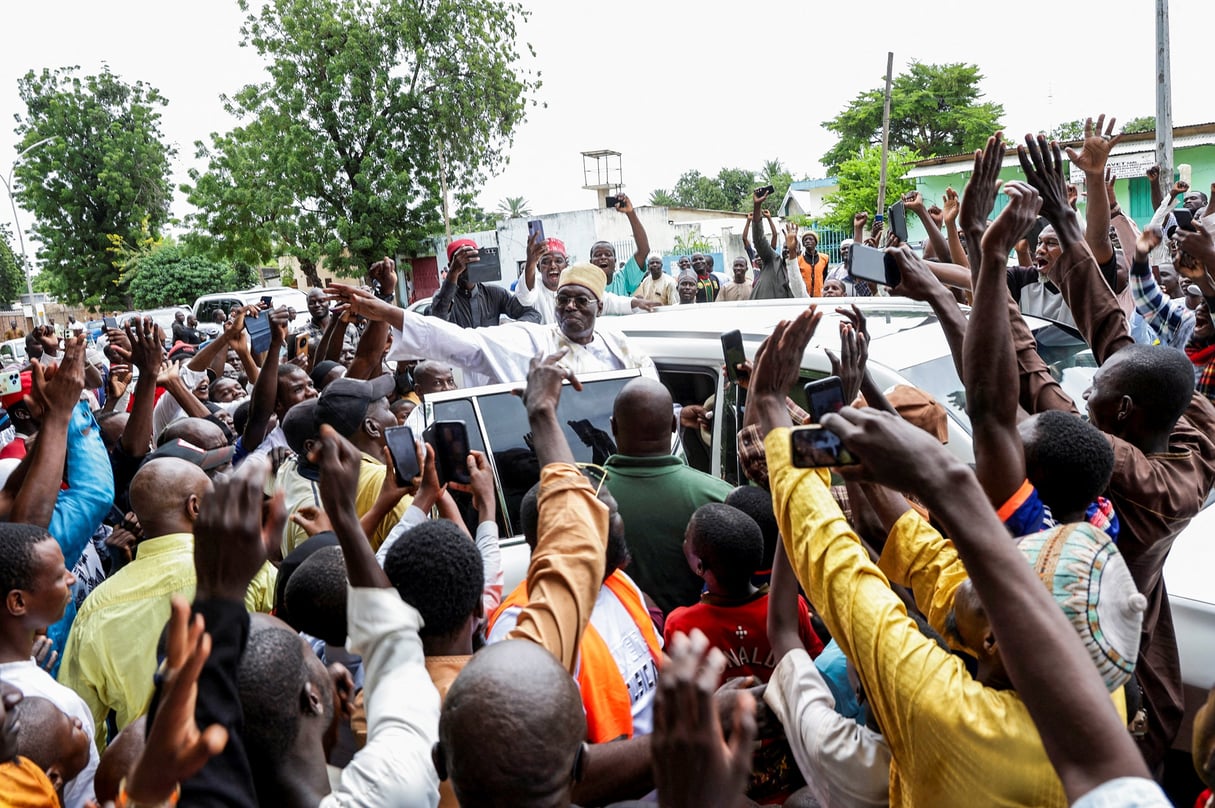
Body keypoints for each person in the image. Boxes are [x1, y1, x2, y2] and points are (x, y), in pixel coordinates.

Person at [749, 309, 1150, 807]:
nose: (971, 569)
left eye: (987, 582)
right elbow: (929, 560)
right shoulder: (1094, 685)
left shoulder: (948, 712)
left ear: (995, 640)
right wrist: (845, 454)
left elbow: (840, 571)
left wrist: (773, 415)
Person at [1014, 129, 1215, 767]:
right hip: (1145, 672)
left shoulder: (1144, 486)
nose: (1086, 389)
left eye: (1095, 392)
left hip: (1117, 705)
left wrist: (982, 279)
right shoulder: (1193, 423)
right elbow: (1114, 334)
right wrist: (1064, 219)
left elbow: (1041, 389)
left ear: (1123, 414)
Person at [487, 475, 661, 745]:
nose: (621, 523)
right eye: (612, 515)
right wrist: (669, 744)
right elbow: (538, 760)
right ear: (577, 535)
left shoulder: (617, 583)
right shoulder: (522, 628)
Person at [59, 458, 213, 750]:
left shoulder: (97, 606)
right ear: (194, 507)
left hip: (144, 767)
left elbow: (81, 724)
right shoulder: (238, 569)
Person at [329, 264, 657, 388]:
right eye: (563, 299)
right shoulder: (533, 339)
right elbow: (461, 342)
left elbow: (653, 398)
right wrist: (388, 311)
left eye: (581, 300)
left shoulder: (621, 347)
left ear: (600, 306)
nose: (570, 306)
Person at [604, 377, 734, 614]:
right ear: (675, 424)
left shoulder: (583, 498)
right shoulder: (720, 496)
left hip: (609, 636)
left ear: (613, 427)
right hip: (696, 635)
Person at [665, 502, 822, 682]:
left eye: (686, 538)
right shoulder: (790, 609)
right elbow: (816, 665)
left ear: (700, 566)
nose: (684, 542)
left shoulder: (681, 625)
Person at [0, 523, 98, 808]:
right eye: (58, 576)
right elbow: (85, 799)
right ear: (18, 601)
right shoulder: (61, 707)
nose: (71, 578)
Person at [313, 375, 413, 551]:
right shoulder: (390, 482)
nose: (394, 417)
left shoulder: (332, 479)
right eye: (387, 409)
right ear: (372, 427)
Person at [430, 239, 542, 327]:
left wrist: (511, 330)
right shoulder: (444, 296)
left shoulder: (495, 293)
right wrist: (453, 273)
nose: (466, 265)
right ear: (451, 266)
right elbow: (437, 319)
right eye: (461, 261)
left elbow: (533, 315)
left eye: (471, 259)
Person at [589, 193, 651, 297]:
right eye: (598, 255)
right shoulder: (583, 285)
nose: (603, 257)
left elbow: (644, 250)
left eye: (608, 254)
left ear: (615, 261)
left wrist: (630, 213)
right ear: (591, 262)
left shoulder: (624, 278)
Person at [795, 230, 829, 298]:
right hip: (803, 296)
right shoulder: (798, 260)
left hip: (819, 296)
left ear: (815, 243)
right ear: (803, 244)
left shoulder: (824, 258)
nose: (808, 241)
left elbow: (825, 277)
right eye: (805, 240)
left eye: (810, 239)